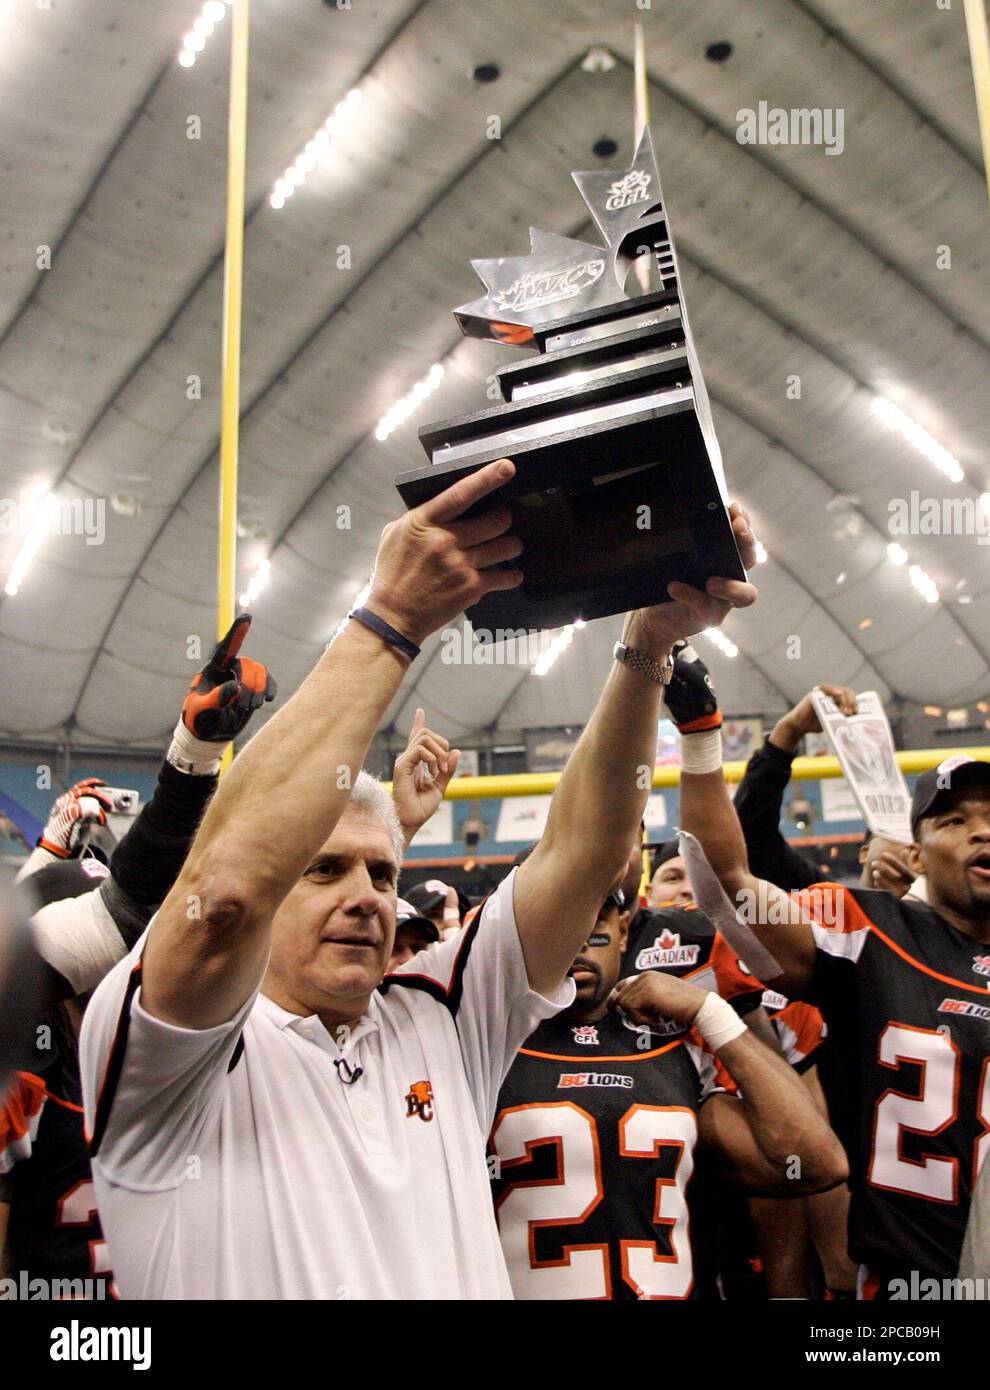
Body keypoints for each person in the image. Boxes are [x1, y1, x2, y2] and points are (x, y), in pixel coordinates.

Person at [79, 460, 759, 1299]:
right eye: (321, 869)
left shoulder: (440, 1014)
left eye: (380, 870)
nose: (365, 895)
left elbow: (583, 851)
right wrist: (390, 620)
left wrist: (648, 645)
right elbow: (222, 896)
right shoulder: (164, 1046)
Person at [0, 619, 276, 1300]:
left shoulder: (171, 1037)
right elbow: (101, 922)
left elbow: (116, 916)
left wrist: (197, 754)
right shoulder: (26, 1071)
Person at [677, 709, 990, 1293]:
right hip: (910, 1294)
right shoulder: (867, 930)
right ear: (915, 857)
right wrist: (700, 734)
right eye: (955, 820)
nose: (983, 832)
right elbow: (728, 879)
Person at [490, 892, 847, 1299]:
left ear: (623, 931)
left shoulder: (676, 1049)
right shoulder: (483, 1047)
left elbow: (814, 1165)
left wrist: (710, 1013)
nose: (576, 939)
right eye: (554, 920)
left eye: (593, 921)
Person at [733, 681, 915, 898]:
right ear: (864, 852)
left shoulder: (951, 922)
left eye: (917, 839)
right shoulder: (827, 907)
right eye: (896, 828)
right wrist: (789, 732)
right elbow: (751, 839)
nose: (908, 844)